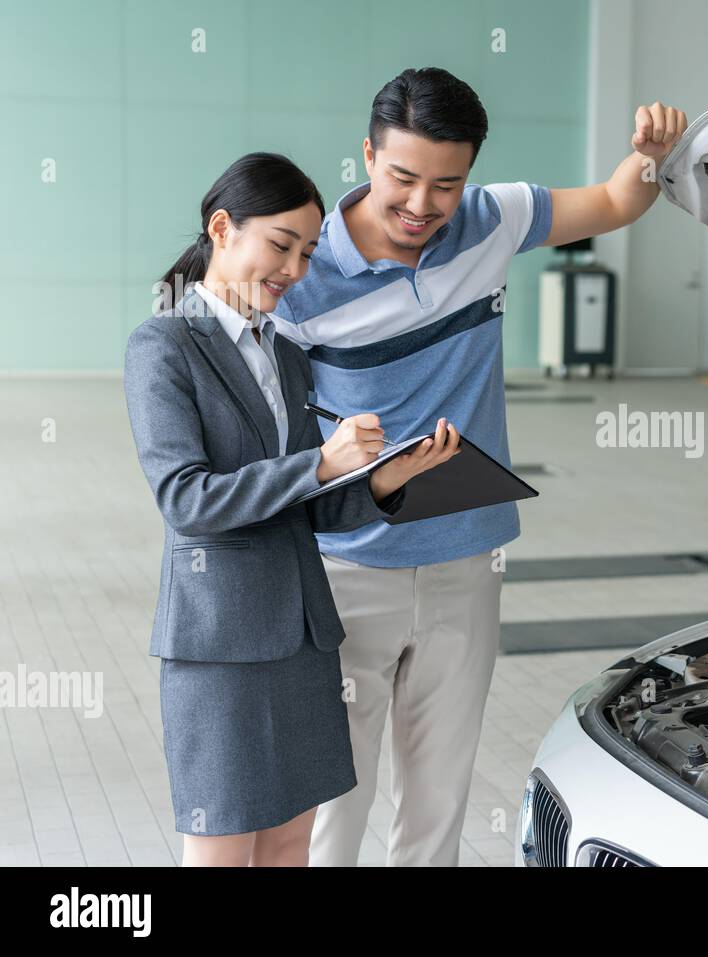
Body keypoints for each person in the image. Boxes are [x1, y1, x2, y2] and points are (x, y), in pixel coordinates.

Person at [272, 66, 686, 866]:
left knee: (438, 796)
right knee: (333, 802)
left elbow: (613, 201)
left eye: (446, 184)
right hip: (348, 569)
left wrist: (650, 157)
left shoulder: (495, 219)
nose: (422, 206)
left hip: (467, 556)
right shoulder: (305, 271)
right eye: (402, 178)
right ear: (365, 154)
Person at [122, 152, 460, 866]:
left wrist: (381, 480)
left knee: (288, 847)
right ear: (223, 228)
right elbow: (184, 498)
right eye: (282, 245)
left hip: (303, 638)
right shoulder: (164, 346)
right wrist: (319, 462)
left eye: (307, 252)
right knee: (221, 848)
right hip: (221, 645)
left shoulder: (286, 356)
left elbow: (312, 507)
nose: (295, 269)